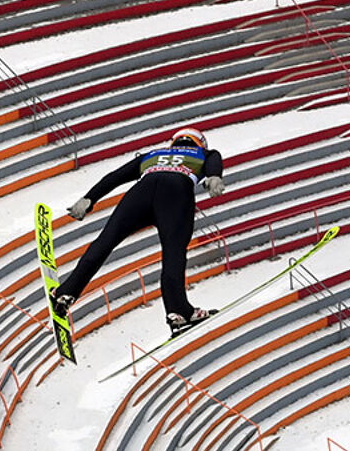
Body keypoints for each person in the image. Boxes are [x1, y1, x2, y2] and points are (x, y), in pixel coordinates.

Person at [50, 127, 226, 335]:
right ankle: (178, 311)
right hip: (176, 192)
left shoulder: (152, 154)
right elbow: (214, 163)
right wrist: (214, 176)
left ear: (173, 142)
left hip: (141, 192)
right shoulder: (205, 154)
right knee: (173, 253)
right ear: (200, 143)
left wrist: (89, 199)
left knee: (105, 241)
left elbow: (115, 177)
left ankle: (66, 292)